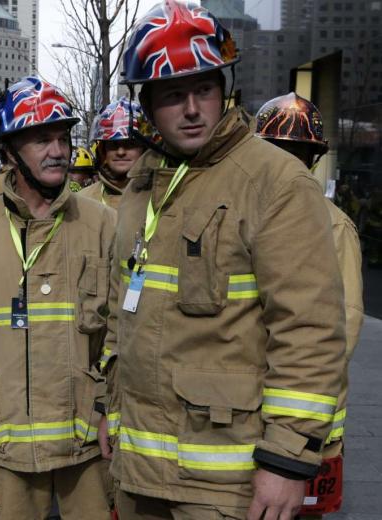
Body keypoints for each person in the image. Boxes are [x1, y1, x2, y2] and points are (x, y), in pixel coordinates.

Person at [100, 2, 346, 519]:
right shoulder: (142, 183)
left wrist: (285, 460)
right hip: (141, 466)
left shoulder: (275, 182)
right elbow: (123, 309)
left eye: (204, 89)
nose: (191, 108)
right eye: (172, 94)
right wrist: (110, 408)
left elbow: (309, 330)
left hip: (226, 482)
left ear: (223, 90)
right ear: (146, 104)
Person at [0, 76, 117, 519]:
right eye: (40, 139)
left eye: (62, 137)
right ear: (11, 153)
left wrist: (109, 404)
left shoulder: (104, 225)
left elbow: (124, 328)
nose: (57, 150)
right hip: (7, 445)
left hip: (89, 445)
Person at [255, 92, 364, 517]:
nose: (284, 163)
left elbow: (343, 328)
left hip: (303, 428)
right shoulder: (243, 215)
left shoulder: (335, 227)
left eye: (295, 154)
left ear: (311, 160)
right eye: (275, 152)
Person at [79, 98, 148, 209]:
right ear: (103, 150)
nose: (120, 152)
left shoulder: (161, 196)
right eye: (113, 144)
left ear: (144, 148)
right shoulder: (81, 201)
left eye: (129, 143)